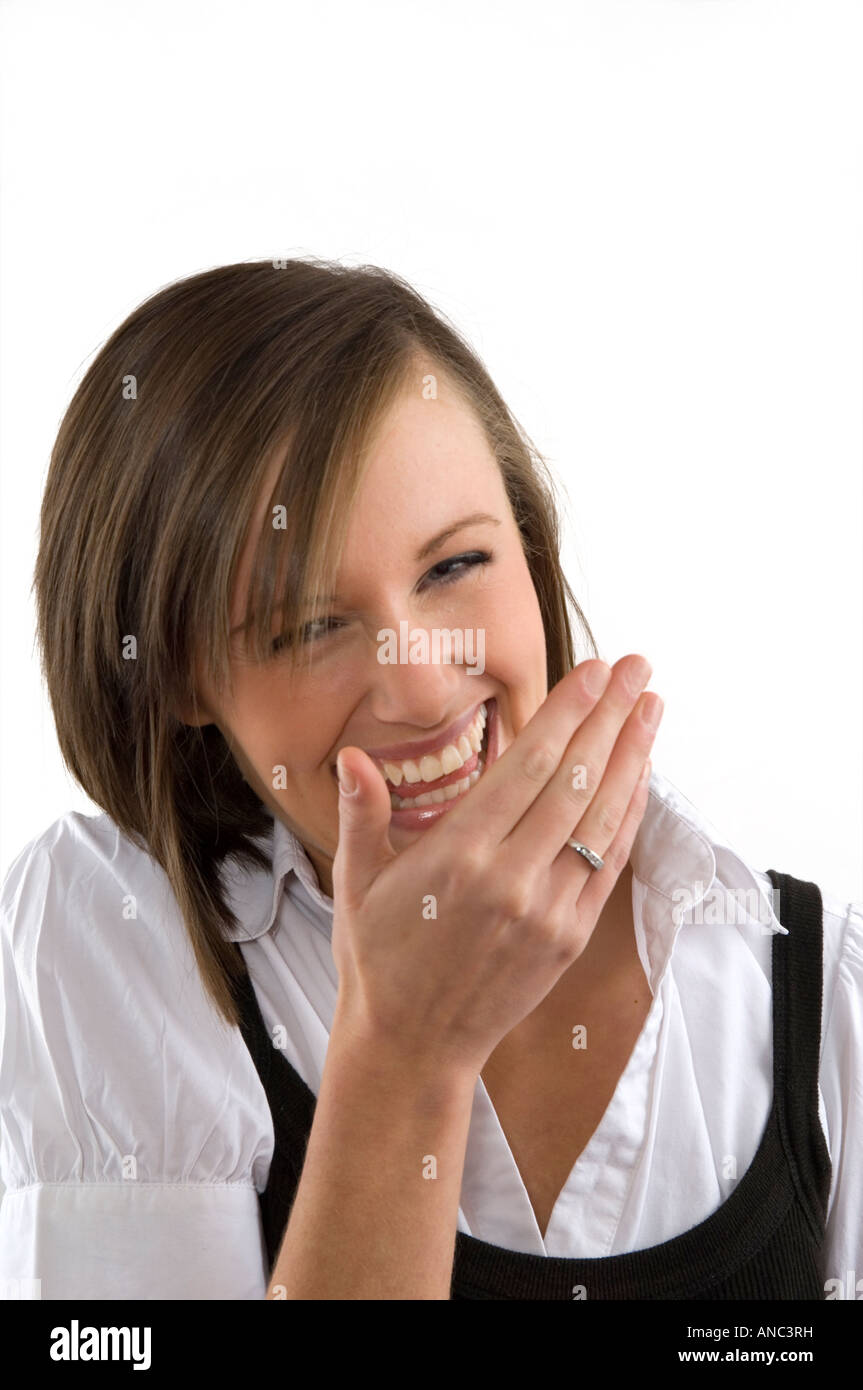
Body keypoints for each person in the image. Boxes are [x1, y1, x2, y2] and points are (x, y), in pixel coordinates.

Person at [0, 259, 860, 1300]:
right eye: (310, 626)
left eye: (454, 566)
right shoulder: (115, 934)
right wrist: (405, 1054)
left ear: (528, 544)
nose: (417, 687)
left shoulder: (821, 996)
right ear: (181, 676)